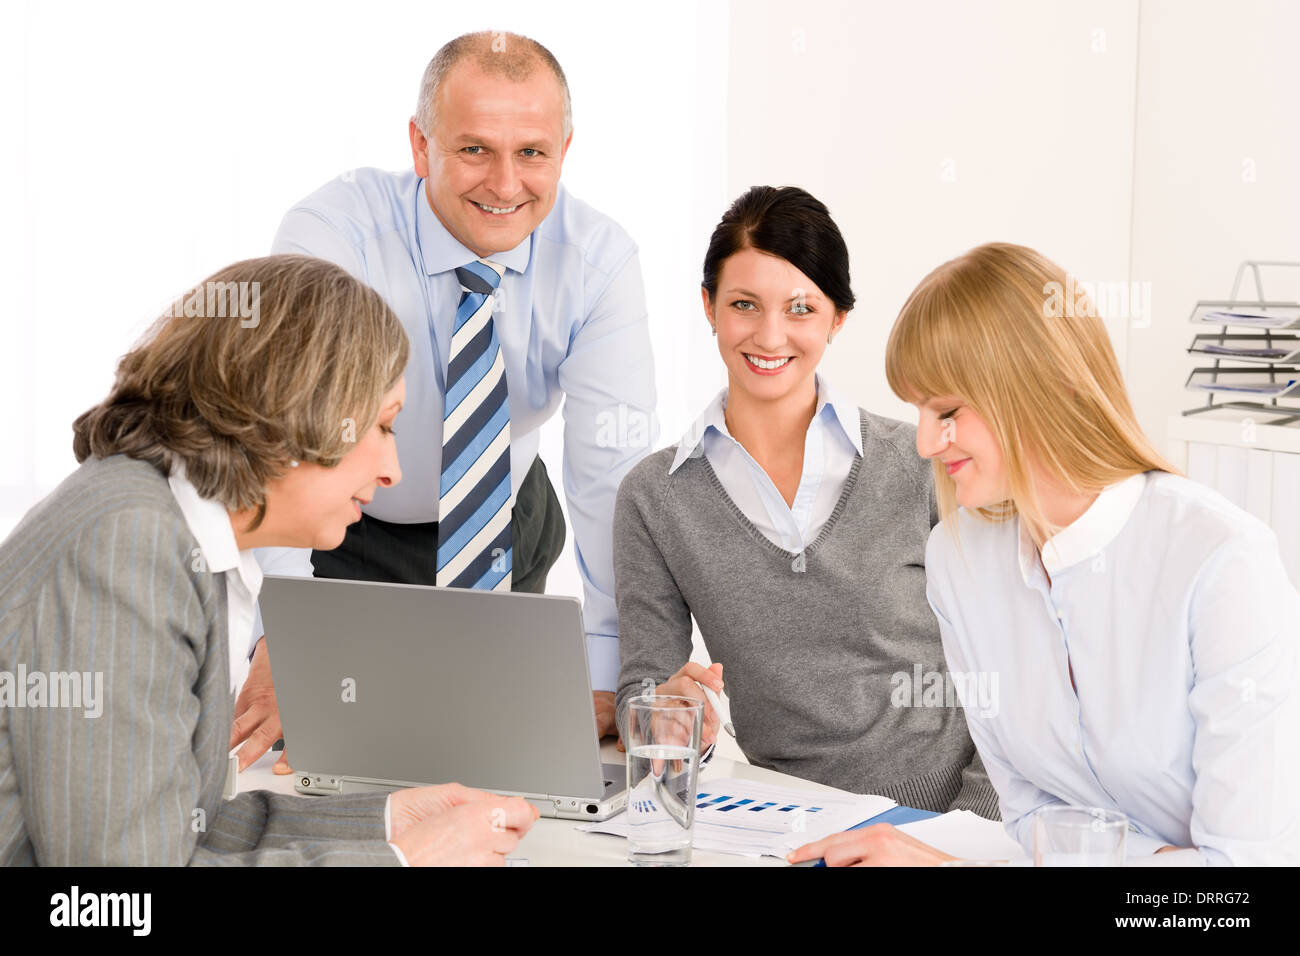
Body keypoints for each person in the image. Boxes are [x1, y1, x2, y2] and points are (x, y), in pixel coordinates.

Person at [0, 255, 538, 865]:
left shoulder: (167, 526)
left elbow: (179, 826)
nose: (394, 472)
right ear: (295, 408)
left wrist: (386, 821)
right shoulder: (128, 545)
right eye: (383, 426)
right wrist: (403, 863)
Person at [790, 242, 1300, 866]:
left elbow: (1238, 886)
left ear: (1040, 391)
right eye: (918, 412)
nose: (925, 442)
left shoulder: (1222, 562)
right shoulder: (958, 559)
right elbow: (1028, 814)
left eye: (947, 410)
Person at [233, 30, 657, 774]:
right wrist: (282, 636)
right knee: (338, 758)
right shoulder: (332, 235)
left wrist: (615, 673)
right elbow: (283, 440)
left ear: (564, 150)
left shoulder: (598, 262)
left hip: (503, 517)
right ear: (421, 146)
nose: (504, 183)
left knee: (495, 753)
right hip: (347, 525)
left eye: (531, 152)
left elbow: (609, 480)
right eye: (473, 150)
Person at [612, 187, 998, 815]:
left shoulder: (927, 465)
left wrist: (964, 835)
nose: (770, 336)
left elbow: (1006, 664)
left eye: (799, 308)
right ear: (708, 307)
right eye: (744, 305)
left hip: (940, 822)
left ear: (836, 318)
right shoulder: (655, 499)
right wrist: (668, 720)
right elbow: (644, 691)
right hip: (782, 825)